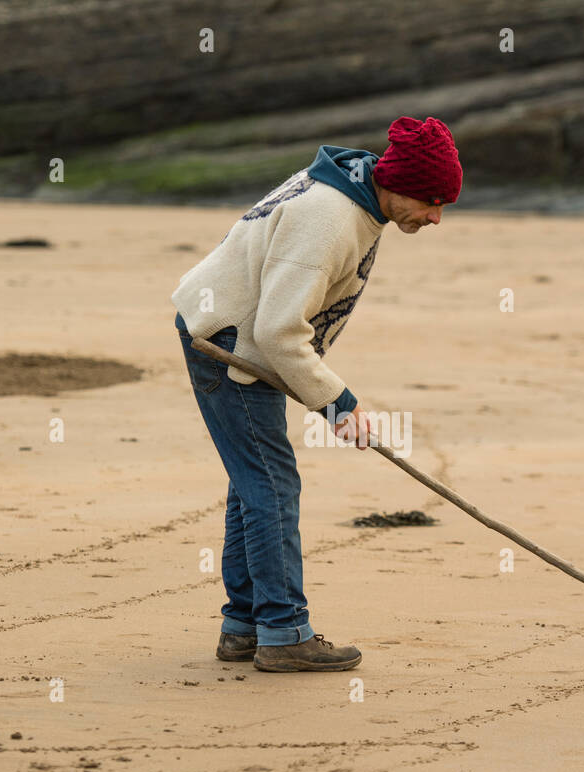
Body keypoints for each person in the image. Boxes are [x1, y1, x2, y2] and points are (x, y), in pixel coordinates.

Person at [171, 115, 462, 672]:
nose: (435, 217)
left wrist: (328, 399)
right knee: (270, 484)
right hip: (228, 345)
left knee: (253, 479)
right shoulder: (328, 219)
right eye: (430, 201)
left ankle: (245, 625)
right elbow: (278, 332)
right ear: (396, 182)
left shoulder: (354, 195)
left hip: (231, 329)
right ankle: (283, 633)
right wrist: (338, 404)